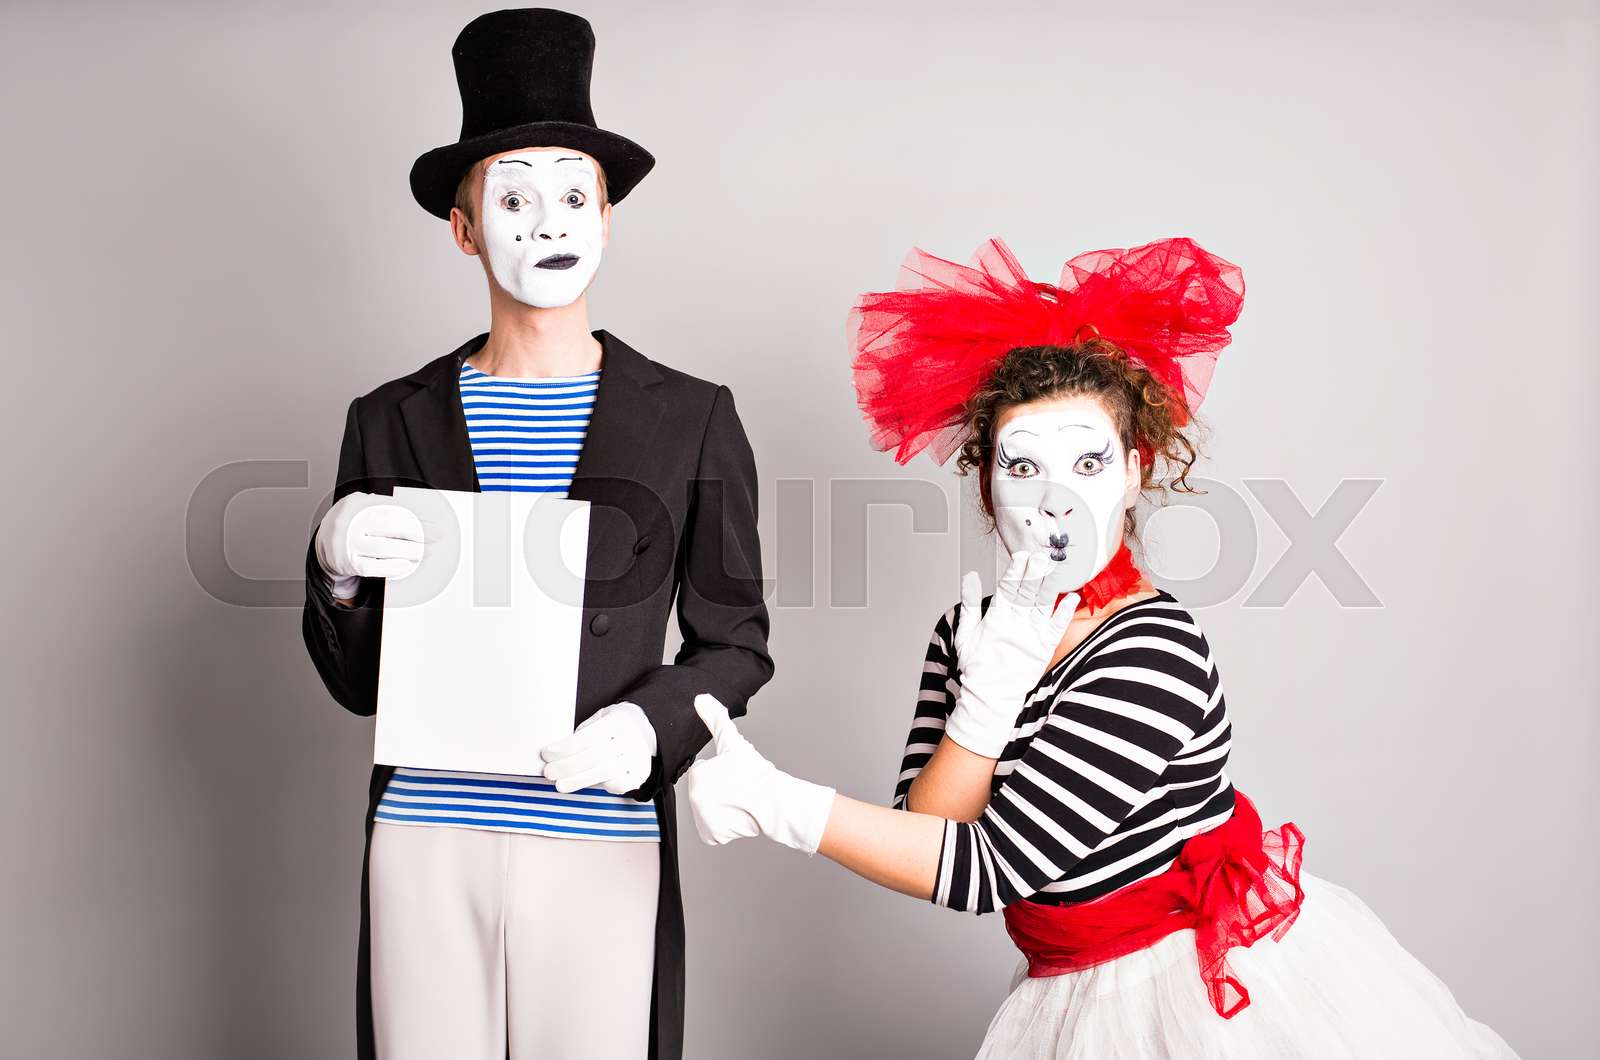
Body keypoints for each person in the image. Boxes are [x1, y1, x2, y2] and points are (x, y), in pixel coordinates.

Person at [682, 236, 1519, 1057]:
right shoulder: (967, 633)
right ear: (986, 485)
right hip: (1064, 983)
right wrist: (983, 706)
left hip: (1185, 996)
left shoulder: (1154, 649)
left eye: (1087, 464)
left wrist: (779, 803)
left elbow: (984, 871)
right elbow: (926, 830)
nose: (1055, 500)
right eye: (1022, 468)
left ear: (1133, 471)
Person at [299, 10, 770, 1059]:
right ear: (464, 229)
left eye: (573, 195)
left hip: (597, 836)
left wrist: (648, 724)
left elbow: (736, 642)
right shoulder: (388, 417)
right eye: (512, 198)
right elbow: (361, 684)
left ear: (607, 216)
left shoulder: (691, 416)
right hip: (424, 839)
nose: (548, 222)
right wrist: (335, 570)